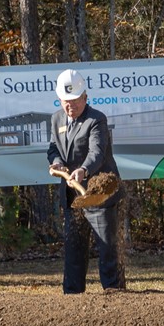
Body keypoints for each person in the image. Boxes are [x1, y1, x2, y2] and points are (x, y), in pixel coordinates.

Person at [47, 68, 126, 294]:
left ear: (84, 97)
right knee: (74, 250)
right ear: (60, 100)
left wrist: (83, 170)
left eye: (75, 101)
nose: (70, 106)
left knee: (107, 250)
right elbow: (53, 147)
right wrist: (56, 162)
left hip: (99, 194)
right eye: (65, 101)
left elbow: (97, 153)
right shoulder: (56, 119)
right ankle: (72, 297)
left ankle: (116, 296)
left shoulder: (96, 119)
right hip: (74, 197)